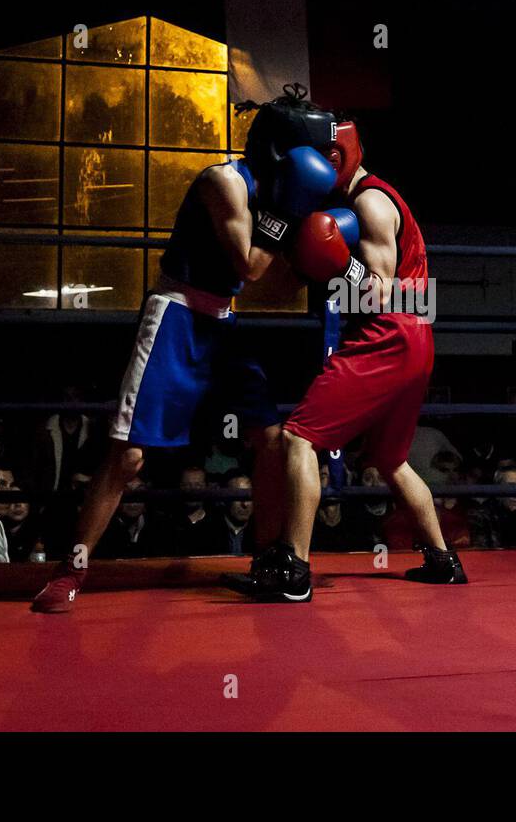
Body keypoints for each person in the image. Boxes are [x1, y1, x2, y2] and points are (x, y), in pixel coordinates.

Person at [30, 87, 337, 611]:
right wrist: (290, 214)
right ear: (288, 150)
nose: (325, 160)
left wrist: (319, 256)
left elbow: (279, 285)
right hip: (176, 316)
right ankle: (71, 569)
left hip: (223, 321)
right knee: (129, 456)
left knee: (270, 438)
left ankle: (267, 561)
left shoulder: (278, 192)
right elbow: (248, 265)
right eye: (318, 149)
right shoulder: (224, 182)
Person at [243, 115, 467, 600]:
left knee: (299, 437)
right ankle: (443, 560)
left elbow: (381, 292)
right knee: (391, 459)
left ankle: (294, 570)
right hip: (412, 337)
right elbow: (279, 287)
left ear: (333, 159)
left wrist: (337, 261)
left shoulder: (370, 201)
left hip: (387, 333)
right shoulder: (341, 203)